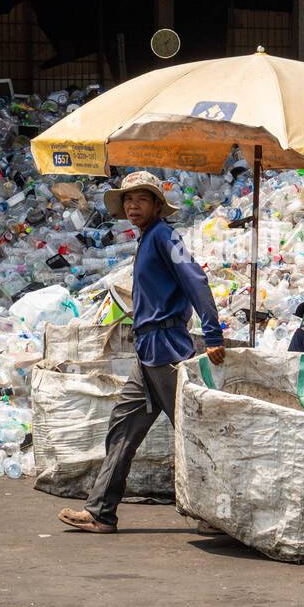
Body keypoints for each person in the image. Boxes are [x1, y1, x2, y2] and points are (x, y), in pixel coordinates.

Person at [59, 171, 226, 534]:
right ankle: (101, 512)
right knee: (124, 428)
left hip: (167, 350)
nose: (133, 205)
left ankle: (217, 512)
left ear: (156, 205)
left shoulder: (165, 236)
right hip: (148, 351)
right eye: (128, 200)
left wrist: (213, 333)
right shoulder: (148, 238)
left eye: (141, 199)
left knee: (190, 430)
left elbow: (195, 279)